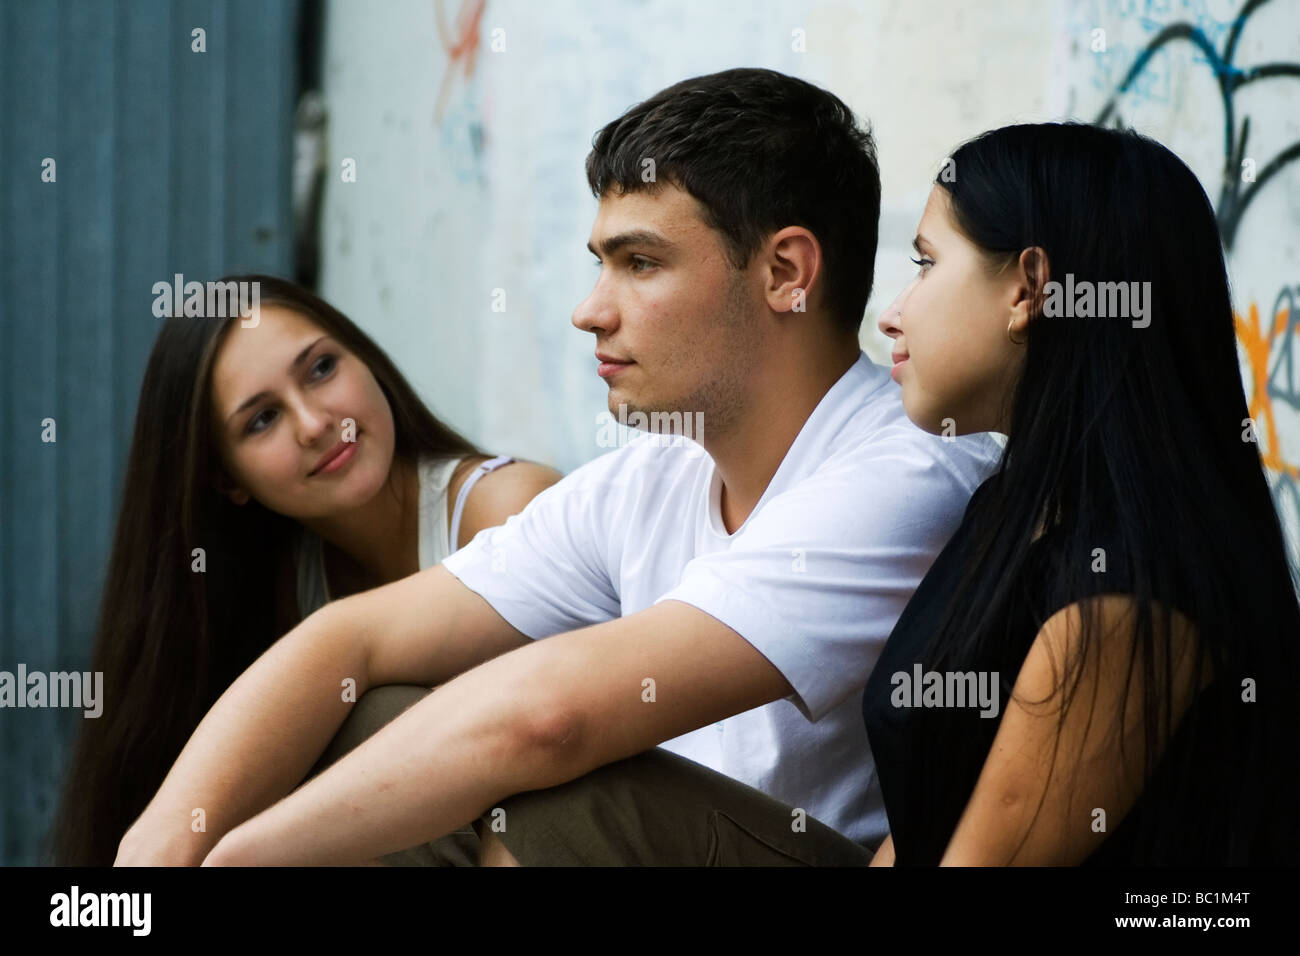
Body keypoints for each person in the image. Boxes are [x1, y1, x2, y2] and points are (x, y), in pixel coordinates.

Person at [114, 68, 1002, 868]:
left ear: (784, 272)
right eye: (599, 264)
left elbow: (547, 719)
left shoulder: (907, 471)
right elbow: (345, 640)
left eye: (640, 263)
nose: (590, 312)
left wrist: (243, 864)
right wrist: (157, 859)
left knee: (556, 790)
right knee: (376, 714)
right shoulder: (650, 476)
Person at [863, 122, 1300, 865]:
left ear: (1029, 287)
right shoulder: (1012, 508)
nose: (894, 313)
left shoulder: (1126, 591)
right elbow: (918, 827)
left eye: (926, 264)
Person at [49, 275, 560, 865]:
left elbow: (554, 788)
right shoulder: (273, 584)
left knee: (381, 717)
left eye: (320, 369)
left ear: (364, 358)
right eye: (262, 419)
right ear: (227, 480)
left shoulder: (504, 510)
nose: (315, 423)